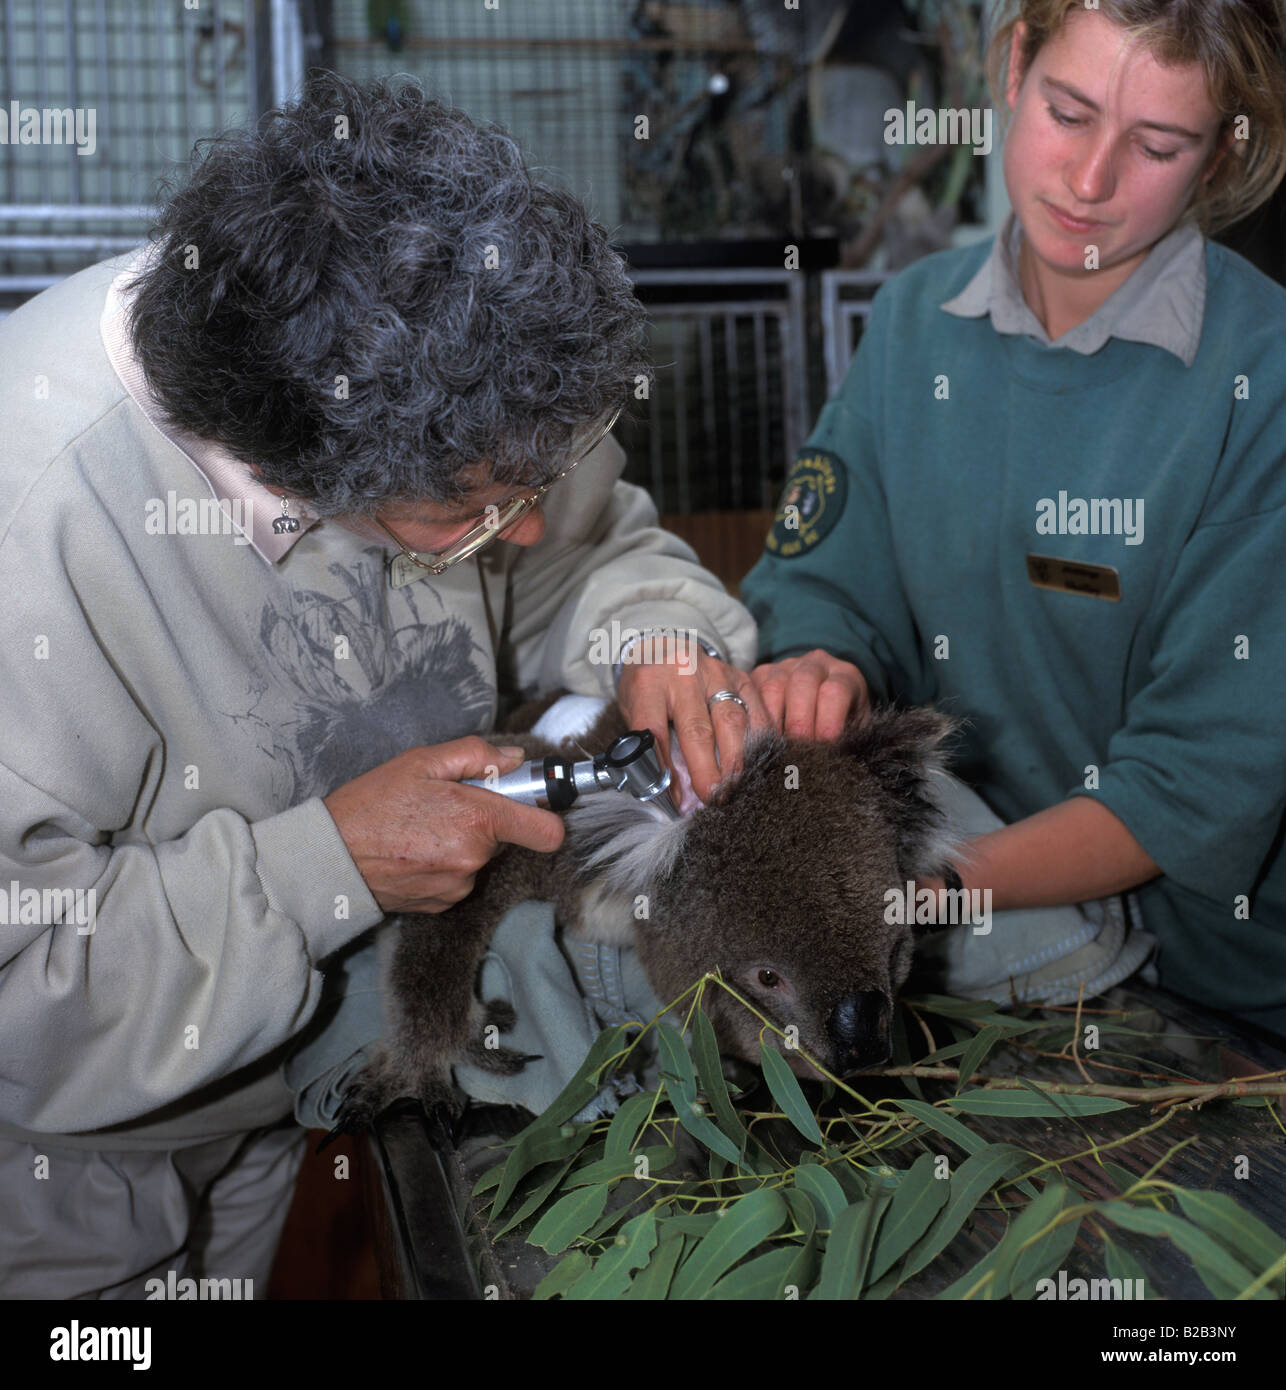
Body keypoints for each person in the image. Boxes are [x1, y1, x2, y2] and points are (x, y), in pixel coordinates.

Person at [0, 74, 767, 1298]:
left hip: (293, 1070)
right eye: (463, 512)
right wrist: (327, 865)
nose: (515, 533)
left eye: (527, 487)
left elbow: (591, 543)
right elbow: (22, 991)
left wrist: (655, 631)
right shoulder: (31, 517)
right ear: (295, 465)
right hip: (69, 1161)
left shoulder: (465, 394)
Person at [741, 0, 1286, 1035]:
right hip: (969, 957)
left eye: (1157, 144)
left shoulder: (1260, 383)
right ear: (1013, 64)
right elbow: (824, 581)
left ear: (1218, 158)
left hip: (1214, 999)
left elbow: (1191, 784)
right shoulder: (912, 322)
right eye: (1067, 112)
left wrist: (921, 894)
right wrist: (819, 662)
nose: (1089, 183)